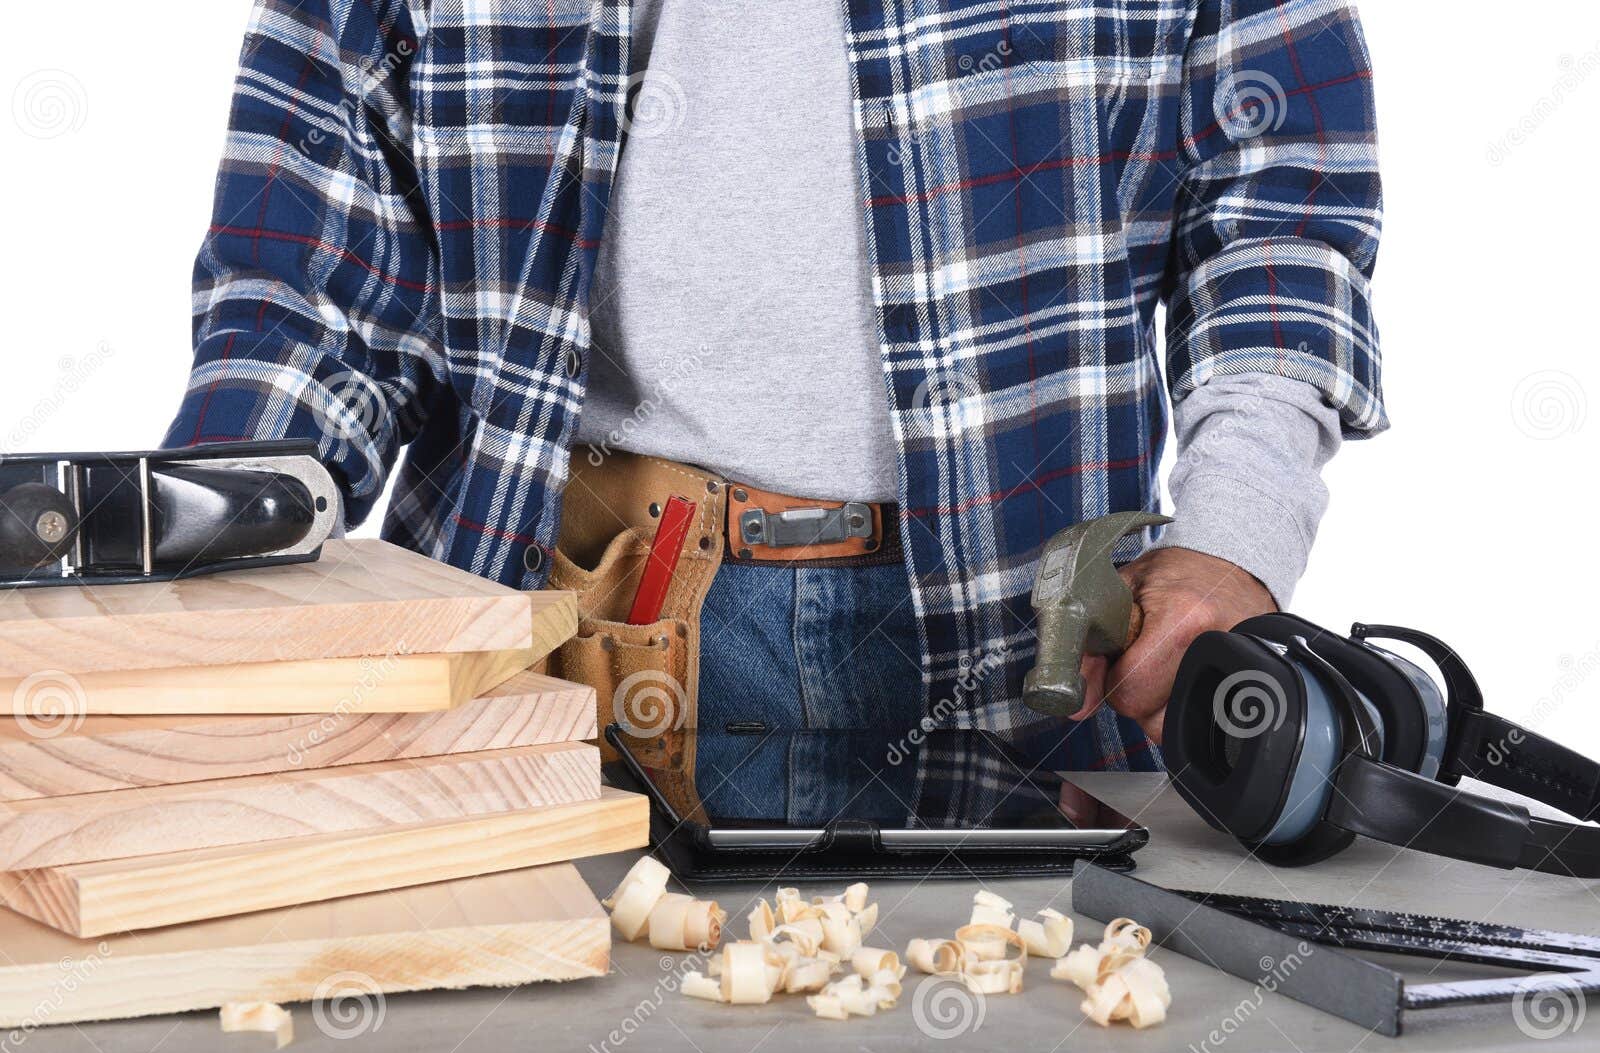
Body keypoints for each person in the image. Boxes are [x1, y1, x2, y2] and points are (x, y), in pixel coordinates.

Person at [166, 0, 1383, 778]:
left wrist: (1235, 531)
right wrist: (186, 603)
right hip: (549, 671)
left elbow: (1278, 213)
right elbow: (309, 296)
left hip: (1039, 667)